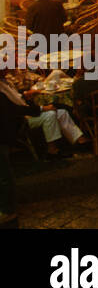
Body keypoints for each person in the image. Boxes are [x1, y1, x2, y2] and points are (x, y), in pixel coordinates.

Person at [0, 79, 42, 224]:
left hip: (3, 136)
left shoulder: (3, 89)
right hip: (5, 135)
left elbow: (11, 111)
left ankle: (8, 210)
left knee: (4, 174)